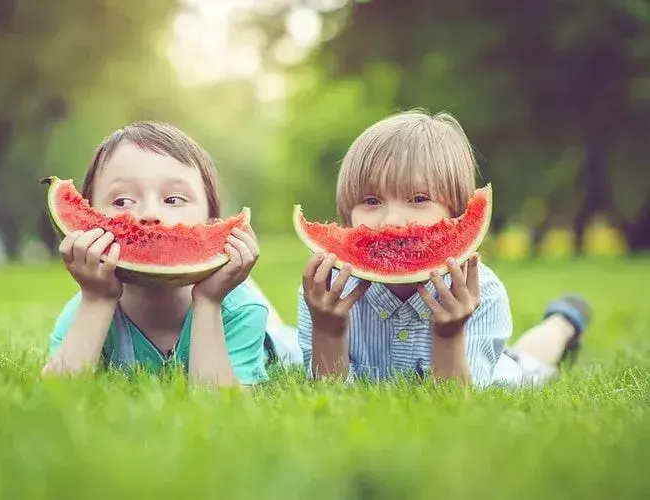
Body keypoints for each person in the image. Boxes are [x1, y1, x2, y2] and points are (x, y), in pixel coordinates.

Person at [297, 109, 591, 388]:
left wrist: (449, 335)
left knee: (528, 364)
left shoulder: (483, 294)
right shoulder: (325, 294)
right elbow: (331, 392)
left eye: (419, 198)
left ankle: (563, 321)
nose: (392, 221)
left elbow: (456, 400)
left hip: (496, 371)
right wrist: (328, 331)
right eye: (371, 201)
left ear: (458, 212)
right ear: (348, 214)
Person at [42, 121, 270, 388]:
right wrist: (97, 301)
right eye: (122, 201)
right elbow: (57, 394)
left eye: (173, 199)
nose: (150, 213)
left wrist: (209, 302)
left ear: (212, 220)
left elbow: (222, 408)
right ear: (90, 219)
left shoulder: (240, 311)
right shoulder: (84, 308)